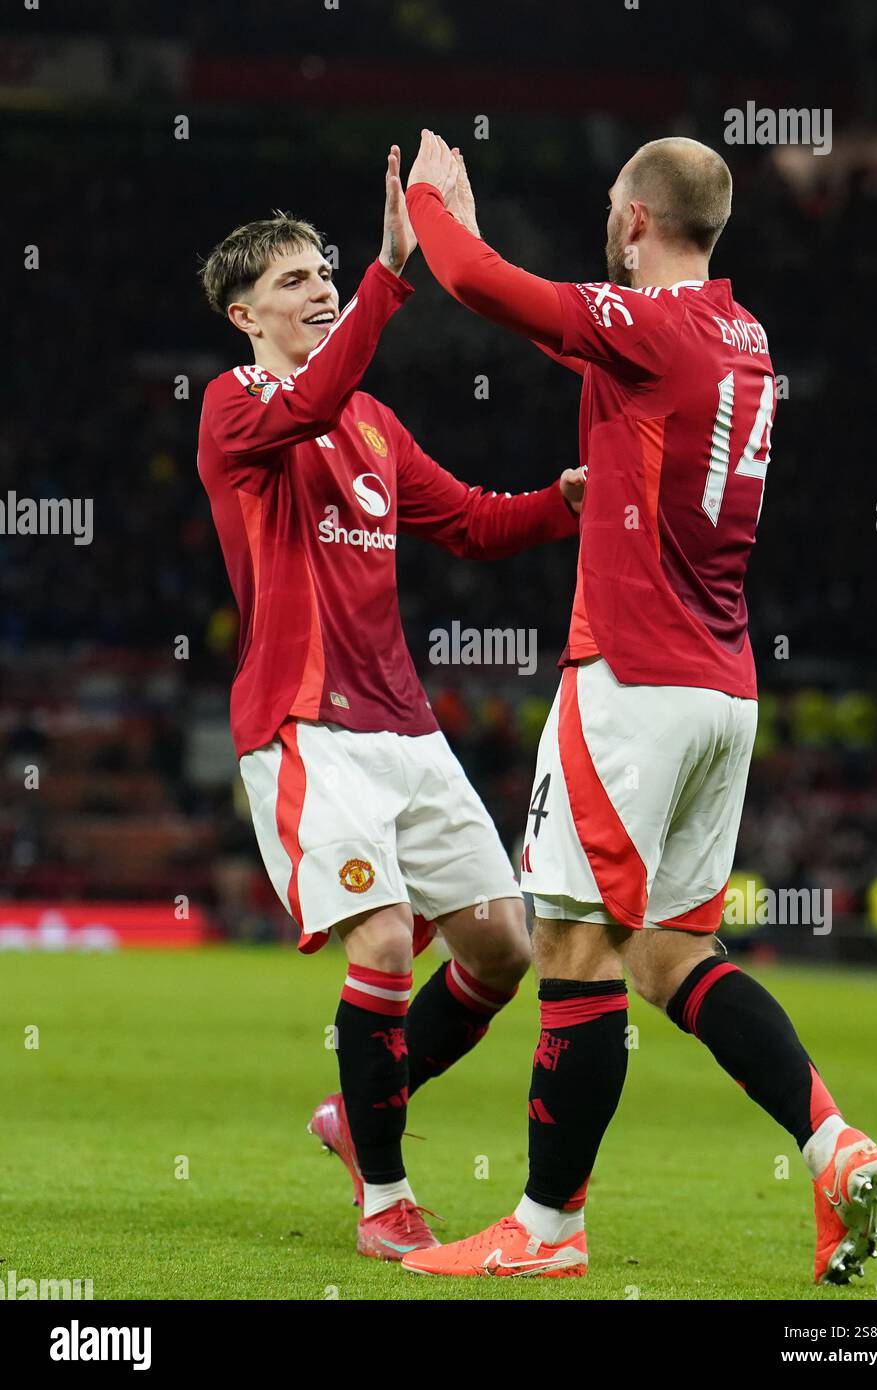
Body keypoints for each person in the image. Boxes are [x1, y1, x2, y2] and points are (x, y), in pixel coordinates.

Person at [400, 131, 877, 1282]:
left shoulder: (651, 325)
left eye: (611, 211)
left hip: (631, 679)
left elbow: (477, 283)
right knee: (676, 955)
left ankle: (547, 1228)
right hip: (724, 687)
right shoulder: (745, 334)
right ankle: (832, 1142)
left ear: (634, 221)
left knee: (576, 948)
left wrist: (431, 201)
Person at [196, 147, 583, 1261]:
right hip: (306, 728)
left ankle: (359, 1106)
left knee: (504, 949)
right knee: (377, 938)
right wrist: (391, 273)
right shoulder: (234, 409)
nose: (320, 287)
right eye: (294, 280)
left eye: (326, 271)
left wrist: (559, 503)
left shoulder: (371, 424)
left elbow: (468, 522)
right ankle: (385, 1200)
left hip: (407, 729)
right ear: (242, 314)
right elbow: (310, 398)